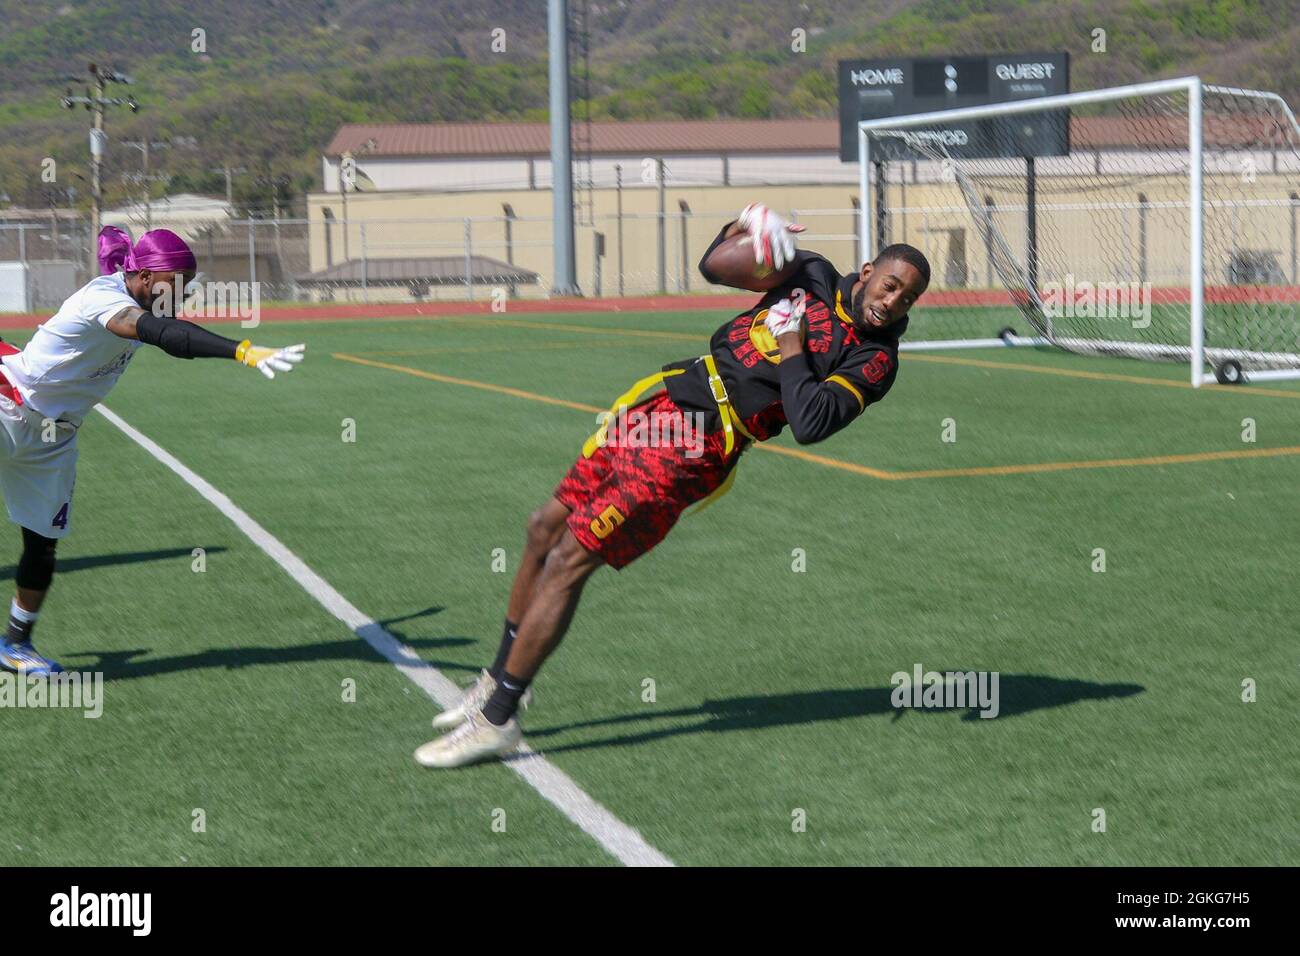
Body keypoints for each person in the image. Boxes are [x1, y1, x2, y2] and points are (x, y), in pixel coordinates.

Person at [416, 203, 931, 768]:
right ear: (865, 272)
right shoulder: (812, 275)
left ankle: (499, 719)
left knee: (569, 561)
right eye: (889, 286)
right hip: (666, 401)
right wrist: (744, 227)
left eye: (906, 298)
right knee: (544, 526)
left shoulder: (875, 359)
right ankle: (498, 679)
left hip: (699, 443)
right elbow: (715, 268)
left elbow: (809, 424)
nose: (892, 303)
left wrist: (791, 347)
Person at [0, 226, 305, 675]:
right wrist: (240, 350)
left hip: (54, 439)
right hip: (9, 408)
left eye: (187, 286)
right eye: (175, 284)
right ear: (143, 276)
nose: (181, 295)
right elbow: (165, 336)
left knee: (42, 545)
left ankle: (15, 645)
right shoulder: (103, 300)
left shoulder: (138, 294)